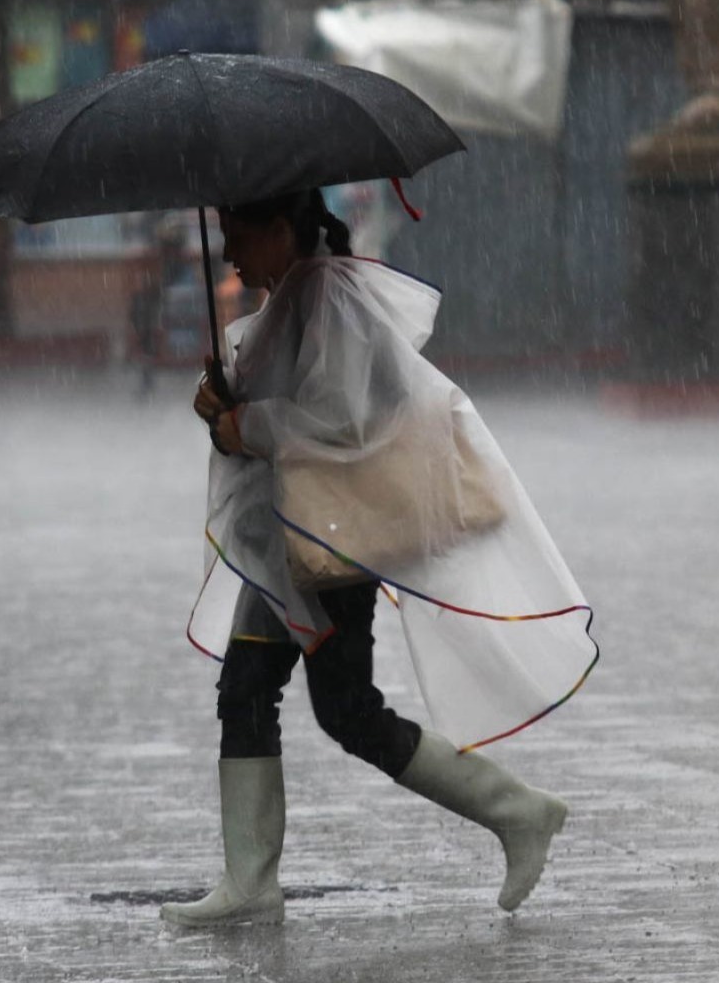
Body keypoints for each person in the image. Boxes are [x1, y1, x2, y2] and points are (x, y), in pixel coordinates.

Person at [164, 188, 598, 928]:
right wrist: (224, 408)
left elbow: (340, 415)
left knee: (346, 713)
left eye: (237, 233)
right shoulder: (294, 296)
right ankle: (250, 880)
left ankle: (518, 812)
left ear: (279, 228)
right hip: (288, 537)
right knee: (248, 689)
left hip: (330, 537)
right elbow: (286, 411)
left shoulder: (330, 295)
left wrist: (249, 423)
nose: (229, 251)